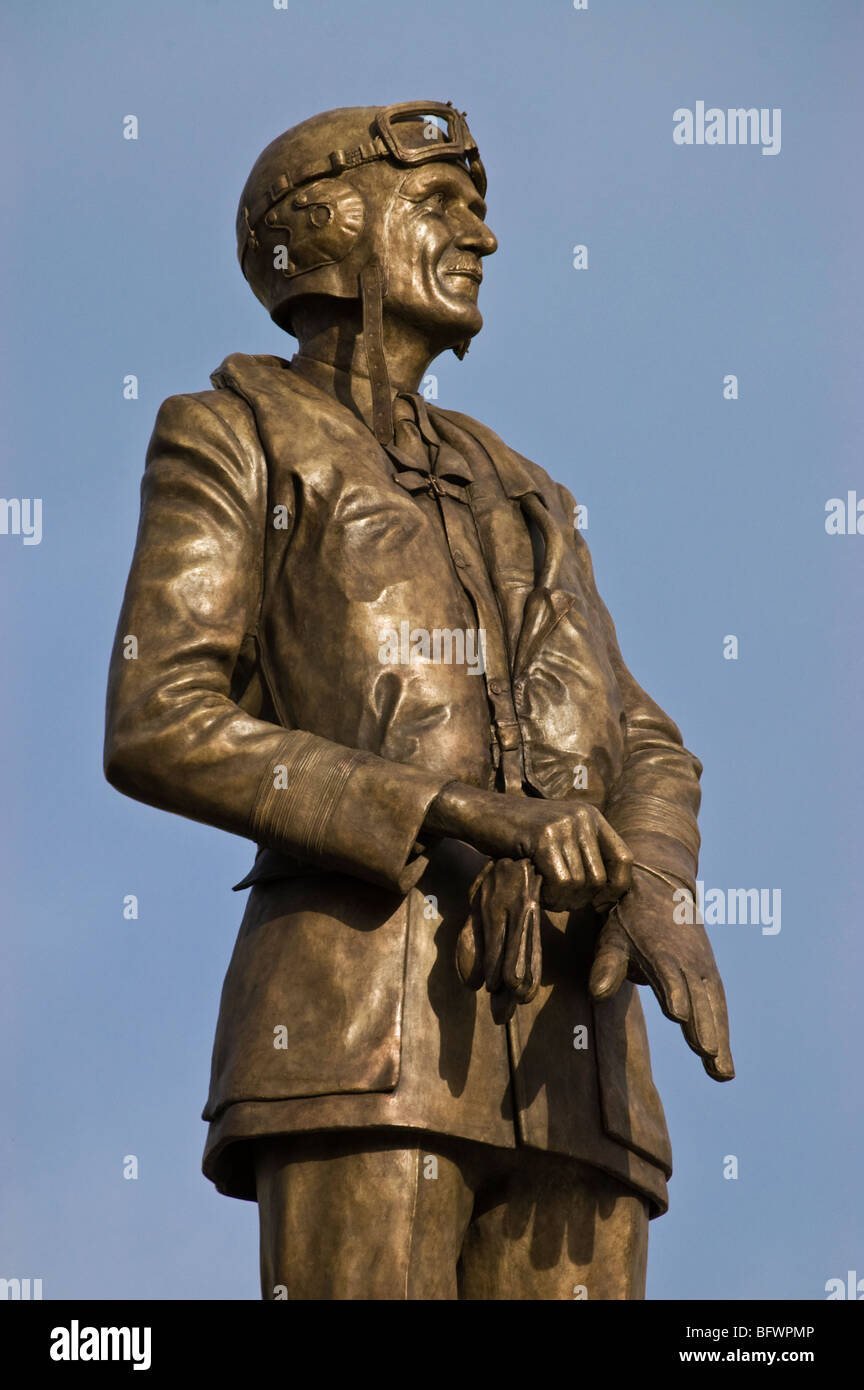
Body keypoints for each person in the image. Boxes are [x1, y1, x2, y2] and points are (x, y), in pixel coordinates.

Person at [104, 101, 733, 1300]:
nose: (483, 240)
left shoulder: (524, 487)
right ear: (333, 234)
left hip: (582, 1066)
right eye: (442, 205)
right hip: (362, 1041)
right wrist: (461, 812)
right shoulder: (233, 435)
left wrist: (654, 884)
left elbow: (647, 739)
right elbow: (158, 717)